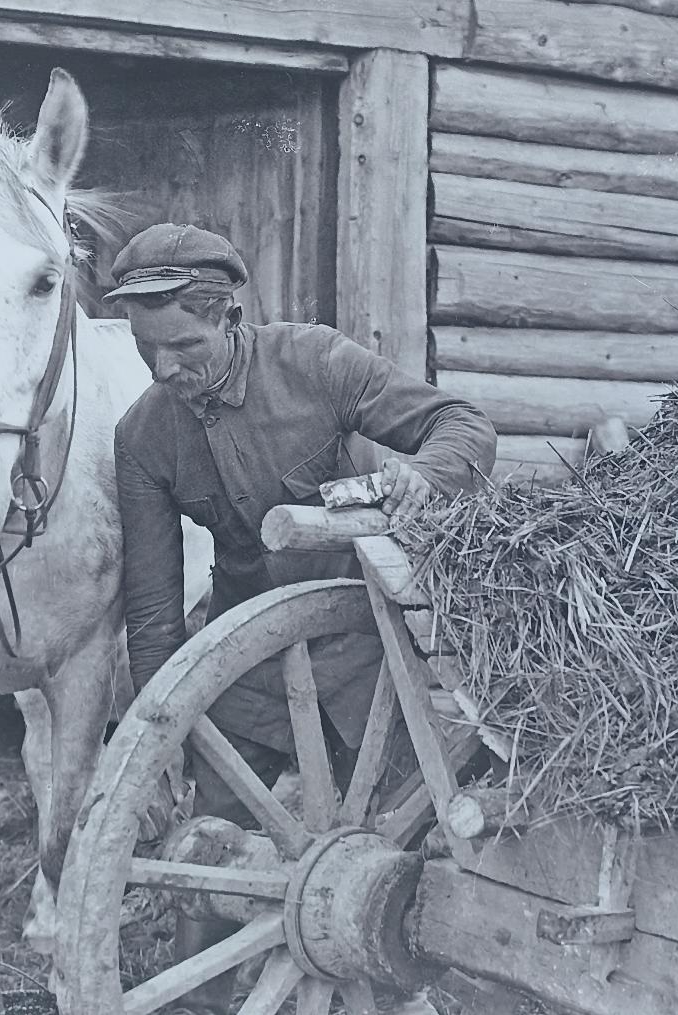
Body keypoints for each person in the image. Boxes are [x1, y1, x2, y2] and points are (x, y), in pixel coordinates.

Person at [108, 223, 496, 1014]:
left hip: (365, 652)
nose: (163, 368)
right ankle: (202, 997)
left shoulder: (315, 363)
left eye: (181, 343)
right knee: (208, 854)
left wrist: (423, 475)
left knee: (397, 853)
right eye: (148, 348)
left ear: (227, 315)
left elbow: (463, 424)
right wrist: (160, 739)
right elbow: (151, 610)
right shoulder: (144, 432)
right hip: (247, 650)